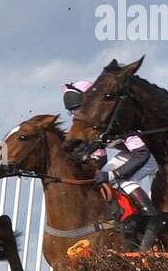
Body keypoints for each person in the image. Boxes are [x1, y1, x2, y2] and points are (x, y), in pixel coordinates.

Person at [64, 81, 160, 249]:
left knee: (121, 179)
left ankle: (151, 218)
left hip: (151, 153)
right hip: (131, 153)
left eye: (78, 109)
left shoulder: (115, 122)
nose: (74, 115)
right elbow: (99, 161)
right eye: (71, 111)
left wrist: (113, 175)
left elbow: (142, 153)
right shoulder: (92, 126)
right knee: (106, 177)